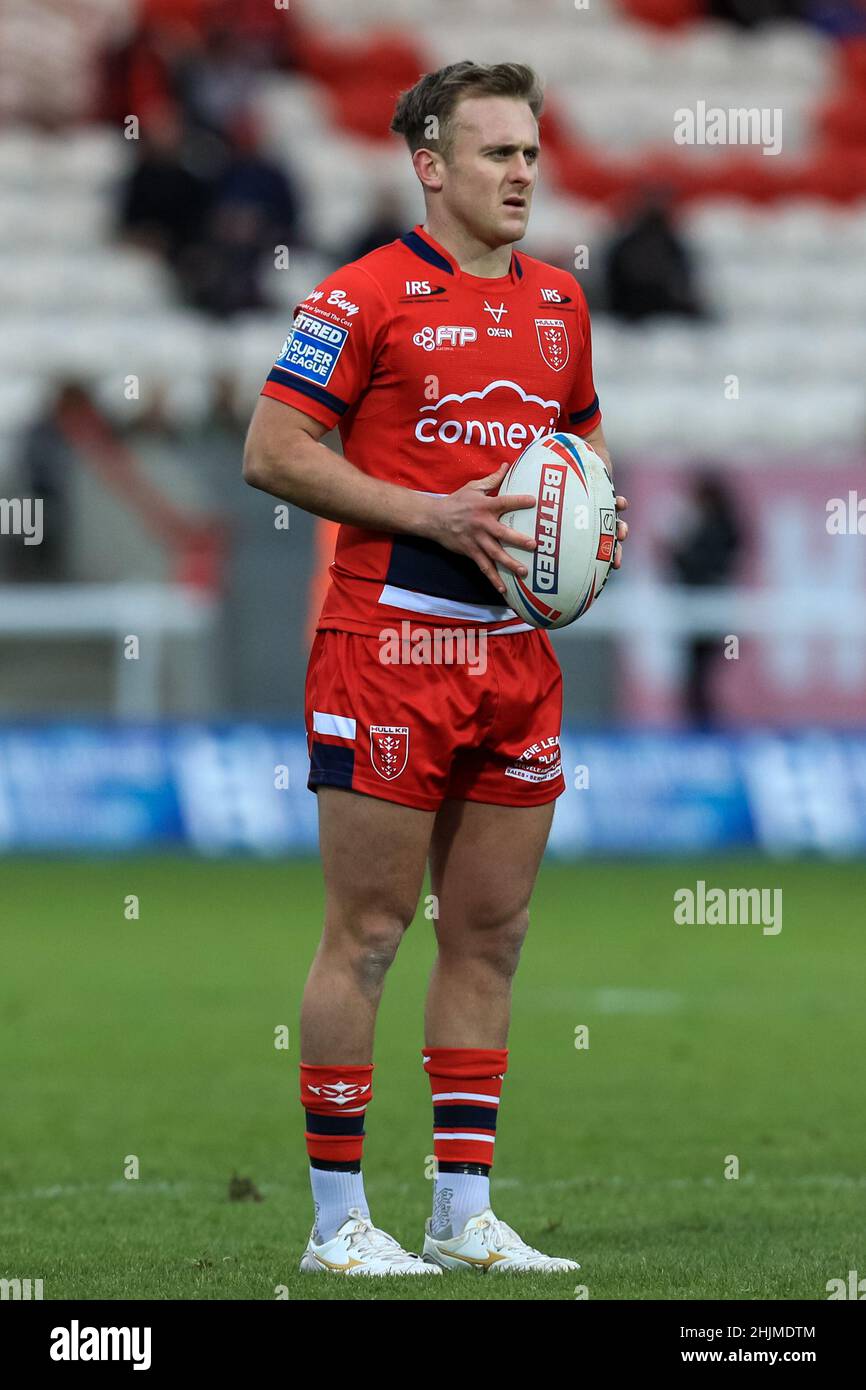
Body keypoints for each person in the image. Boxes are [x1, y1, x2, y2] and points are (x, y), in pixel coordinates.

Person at [243, 60, 628, 1277]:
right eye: (495, 153)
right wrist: (434, 515)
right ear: (430, 164)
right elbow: (272, 450)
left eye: (528, 152)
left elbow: (579, 448)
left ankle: (464, 1214)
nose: (521, 173)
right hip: (390, 647)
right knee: (364, 935)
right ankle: (335, 1221)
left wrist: (591, 537)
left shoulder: (562, 302)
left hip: (515, 658)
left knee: (491, 936)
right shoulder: (359, 298)